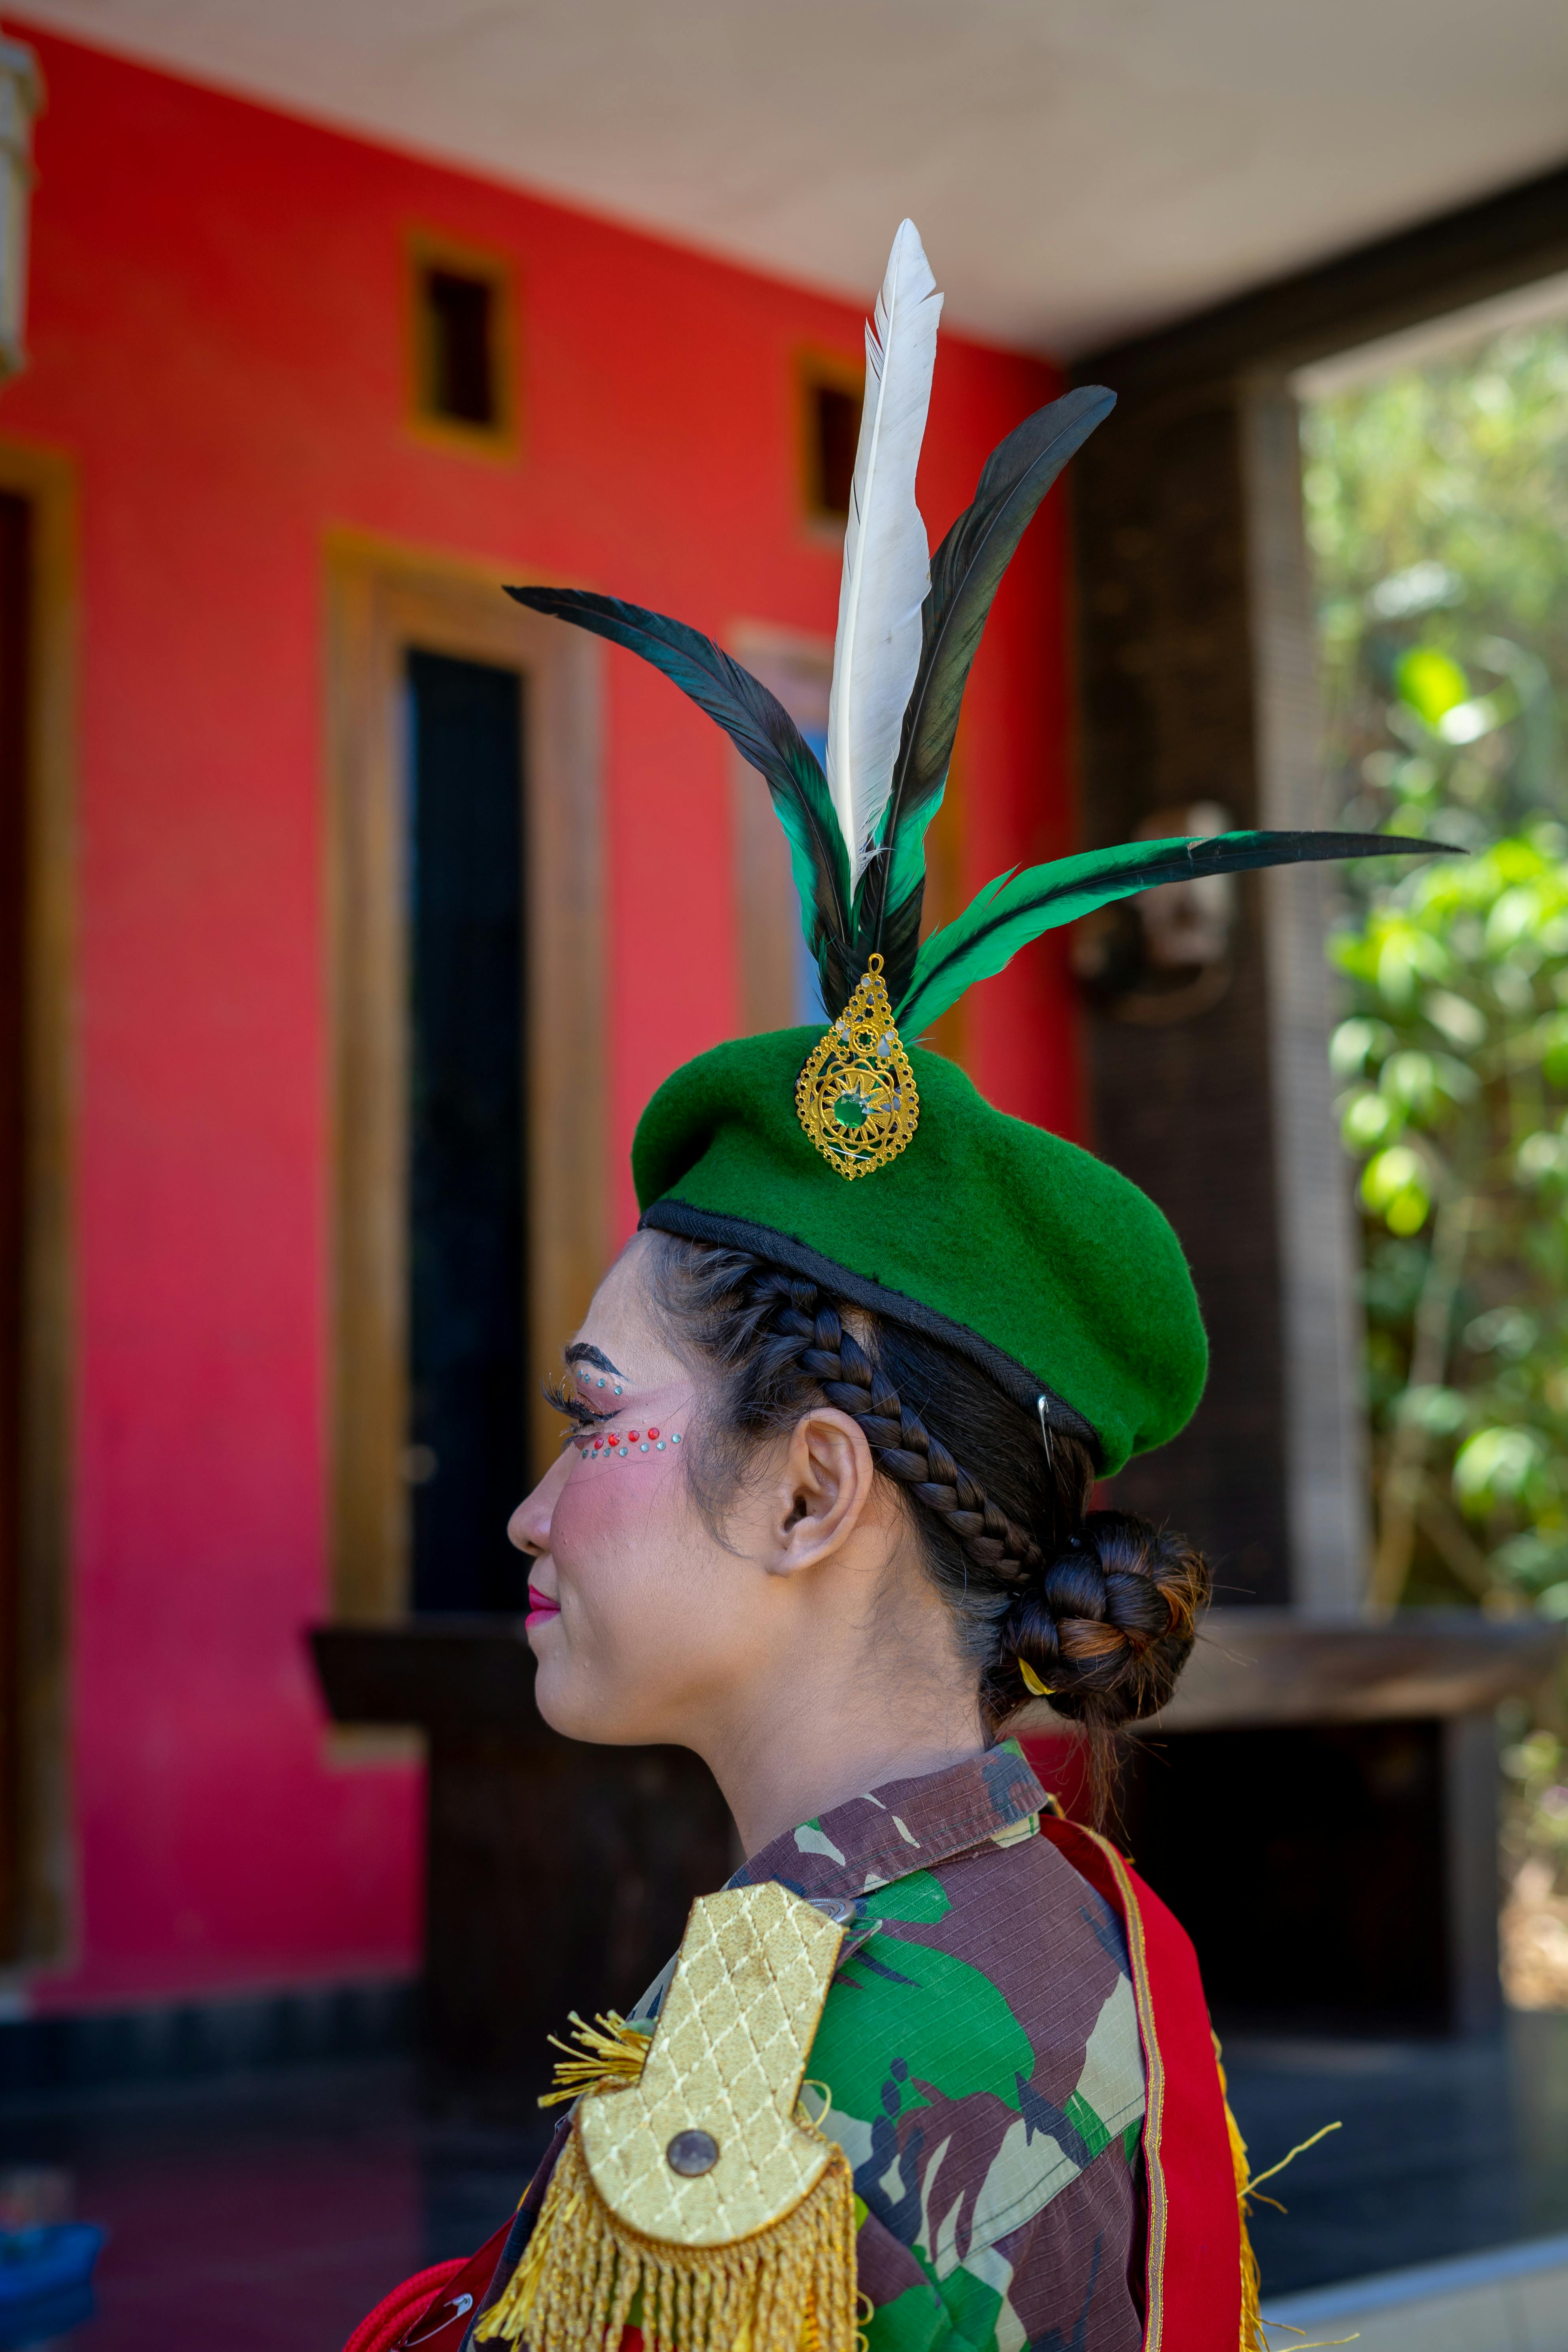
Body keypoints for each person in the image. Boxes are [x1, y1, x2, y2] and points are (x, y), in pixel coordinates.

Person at [345, 222, 1438, 2352]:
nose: (528, 1508)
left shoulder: (775, 2051)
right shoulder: (1056, 1903)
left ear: (808, 1486)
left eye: (591, 1417)